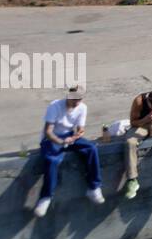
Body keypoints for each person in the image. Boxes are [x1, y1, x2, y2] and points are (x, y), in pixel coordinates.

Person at [34, 84, 103, 217]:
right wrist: (60, 142)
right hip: (51, 138)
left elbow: (80, 128)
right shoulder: (55, 106)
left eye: (79, 99)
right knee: (52, 160)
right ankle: (45, 197)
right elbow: (48, 131)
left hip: (69, 136)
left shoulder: (82, 108)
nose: (77, 102)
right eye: (74, 99)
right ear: (68, 96)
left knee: (91, 148)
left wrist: (77, 135)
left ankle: (94, 187)